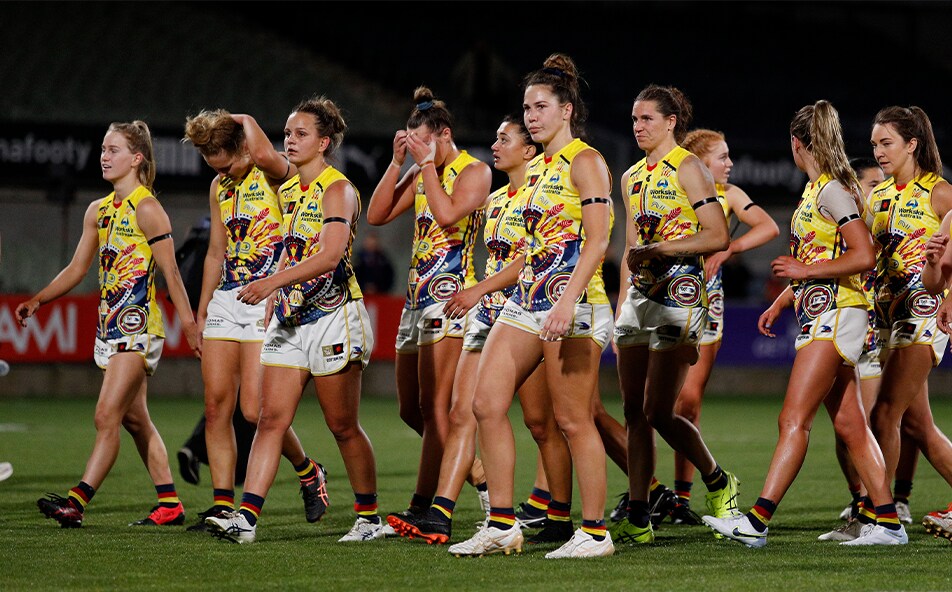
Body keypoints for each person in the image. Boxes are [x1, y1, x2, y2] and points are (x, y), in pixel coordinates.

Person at [704, 100, 907, 546]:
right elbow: (824, 256)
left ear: (797, 144)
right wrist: (784, 298)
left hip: (837, 316)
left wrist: (803, 273)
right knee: (851, 425)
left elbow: (862, 256)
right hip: (824, 312)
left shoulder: (832, 190)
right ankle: (888, 523)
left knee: (792, 419)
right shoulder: (818, 191)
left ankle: (756, 522)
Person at [450, 53, 615, 559]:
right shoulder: (537, 166)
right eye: (527, 108)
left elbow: (596, 240)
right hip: (527, 302)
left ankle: (595, 533)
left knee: (571, 420)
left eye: (541, 107)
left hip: (578, 303)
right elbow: (532, 248)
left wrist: (565, 302)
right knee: (485, 403)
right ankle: (503, 524)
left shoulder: (586, 161)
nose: (532, 117)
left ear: (566, 111)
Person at [388, 115, 576, 545]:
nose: (494, 144)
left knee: (541, 422)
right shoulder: (496, 200)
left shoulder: (540, 196)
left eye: (504, 138)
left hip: (525, 311)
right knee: (465, 412)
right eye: (494, 136)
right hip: (489, 314)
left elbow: (532, 259)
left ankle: (560, 516)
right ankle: (442, 513)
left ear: (529, 151)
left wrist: (479, 289)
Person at [205, 96, 380, 544]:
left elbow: (330, 254)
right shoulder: (288, 188)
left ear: (324, 142)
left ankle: (369, 516)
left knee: (342, 426)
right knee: (268, 419)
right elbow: (288, 237)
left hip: (334, 316)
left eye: (300, 134)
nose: (290, 140)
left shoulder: (338, 188)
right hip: (291, 317)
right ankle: (246, 520)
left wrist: (271, 282)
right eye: (287, 133)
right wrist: (279, 292)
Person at [20, 121, 201, 528]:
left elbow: (171, 273)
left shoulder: (148, 207)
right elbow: (77, 268)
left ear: (136, 158)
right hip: (110, 328)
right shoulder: (98, 211)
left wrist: (189, 325)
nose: (104, 155)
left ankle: (76, 501)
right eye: (103, 148)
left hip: (138, 328)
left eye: (113, 149)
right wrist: (39, 299)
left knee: (106, 416)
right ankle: (170, 504)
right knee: (136, 420)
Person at [181, 110, 328, 532]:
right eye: (215, 168)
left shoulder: (276, 172)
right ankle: (222, 505)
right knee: (214, 408)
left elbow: (263, 149)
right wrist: (204, 306)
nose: (222, 173)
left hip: (265, 297)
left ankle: (307, 470)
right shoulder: (219, 186)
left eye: (227, 163)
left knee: (253, 411)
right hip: (228, 297)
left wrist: (240, 117)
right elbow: (214, 251)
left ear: (245, 147)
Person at [611, 85, 736, 547]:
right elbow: (628, 248)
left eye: (647, 119)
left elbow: (717, 235)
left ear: (670, 122)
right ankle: (640, 514)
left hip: (680, 298)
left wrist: (662, 248)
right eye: (634, 119)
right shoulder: (629, 177)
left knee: (658, 411)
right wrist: (621, 304)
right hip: (638, 302)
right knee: (632, 411)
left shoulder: (689, 167)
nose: (639, 127)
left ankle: (718, 479)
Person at [367, 87, 492, 523]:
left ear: (444, 135)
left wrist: (424, 166)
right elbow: (377, 214)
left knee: (438, 410)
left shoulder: (473, 171)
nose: (419, 150)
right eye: (412, 142)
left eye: (423, 142)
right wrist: (397, 162)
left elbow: (448, 215)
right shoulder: (422, 170)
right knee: (410, 409)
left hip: (453, 299)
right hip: (415, 299)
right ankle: (476, 472)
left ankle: (427, 507)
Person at [667, 128, 779, 521]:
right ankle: (643, 496)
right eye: (723, 157)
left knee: (688, 401)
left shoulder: (728, 195)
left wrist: (731, 246)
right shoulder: (672, 188)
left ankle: (681, 497)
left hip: (705, 305)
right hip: (663, 302)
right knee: (648, 405)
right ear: (699, 163)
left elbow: (768, 226)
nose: (730, 164)